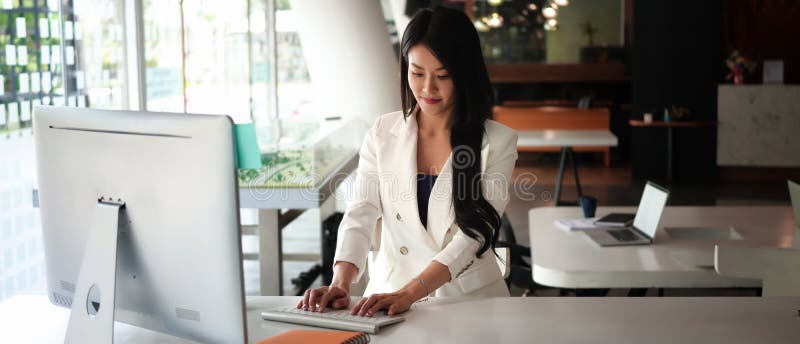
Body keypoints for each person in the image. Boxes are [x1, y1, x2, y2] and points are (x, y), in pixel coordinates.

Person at [298, 6, 518, 317]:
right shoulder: (382, 132)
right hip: (387, 298)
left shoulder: (498, 141)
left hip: (469, 301)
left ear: (465, 74)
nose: (428, 88)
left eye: (443, 75)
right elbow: (361, 212)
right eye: (416, 72)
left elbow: (474, 235)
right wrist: (341, 282)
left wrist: (411, 293)